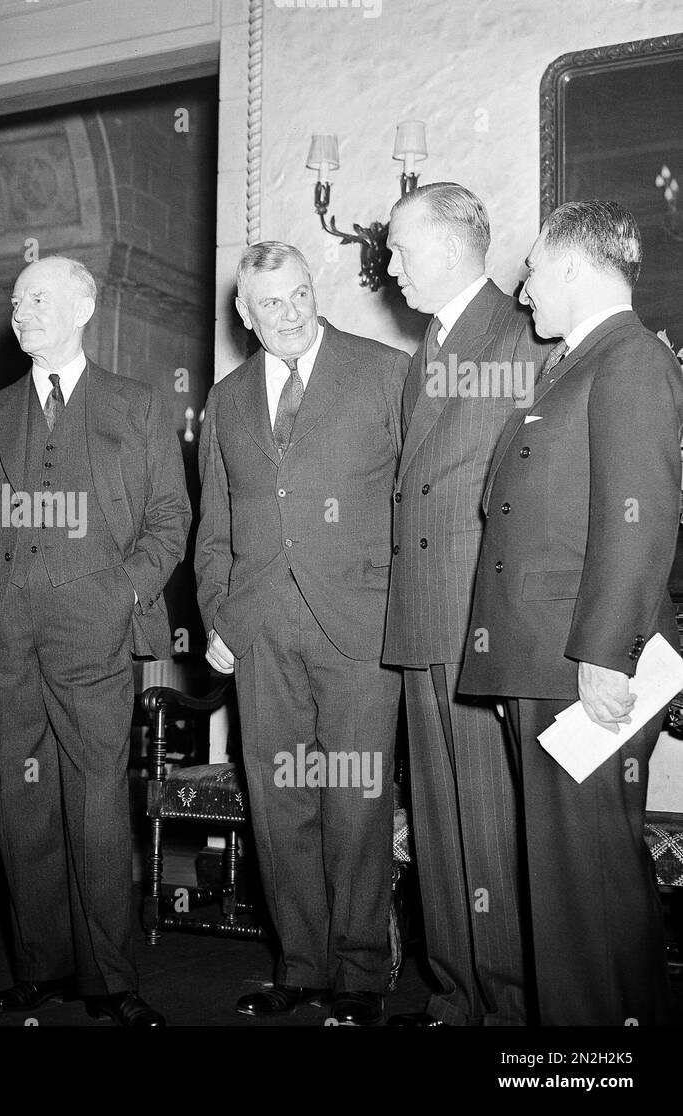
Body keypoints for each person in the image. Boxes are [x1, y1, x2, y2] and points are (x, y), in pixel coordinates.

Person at [0, 255, 190, 1026]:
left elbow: (168, 522)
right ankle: (39, 968)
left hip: (96, 636)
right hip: (5, 634)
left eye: (38, 298)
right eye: (15, 302)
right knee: (20, 804)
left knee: (97, 806)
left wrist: (118, 595)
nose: (21, 312)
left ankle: (111, 979)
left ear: (84, 305)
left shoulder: (138, 406)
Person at [459, 200, 681, 1026]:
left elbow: (642, 511)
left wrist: (607, 653)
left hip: (577, 659)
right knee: (583, 884)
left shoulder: (627, 360)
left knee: (579, 886)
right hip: (548, 653)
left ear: (574, 268)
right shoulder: (580, 361)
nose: (521, 290)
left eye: (531, 269)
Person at [195, 241, 405, 1026]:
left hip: (360, 628)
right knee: (280, 802)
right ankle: (301, 968)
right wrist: (218, 615)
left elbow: (415, 506)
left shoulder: (384, 373)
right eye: (268, 304)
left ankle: (359, 976)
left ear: (315, 293)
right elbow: (214, 525)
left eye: (298, 296)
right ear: (243, 316)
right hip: (260, 631)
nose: (287, 315)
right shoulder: (224, 399)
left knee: (355, 801)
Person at [382, 183, 551, 1027]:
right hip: (421, 620)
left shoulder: (521, 335)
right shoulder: (428, 349)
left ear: (448, 249)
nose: (388, 266)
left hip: (483, 624)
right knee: (442, 826)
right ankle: (455, 995)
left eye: (399, 250)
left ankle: (511, 1008)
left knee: (491, 823)